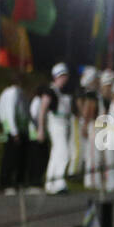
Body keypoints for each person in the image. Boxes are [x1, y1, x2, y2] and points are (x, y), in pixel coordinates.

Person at [35, 63, 73, 195]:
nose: (64, 79)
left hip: (65, 124)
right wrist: (40, 129)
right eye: (61, 76)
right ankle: (59, 183)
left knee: (56, 154)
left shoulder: (65, 92)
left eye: (65, 76)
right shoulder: (50, 91)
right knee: (64, 153)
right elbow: (42, 110)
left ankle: (51, 183)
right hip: (55, 124)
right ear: (55, 76)